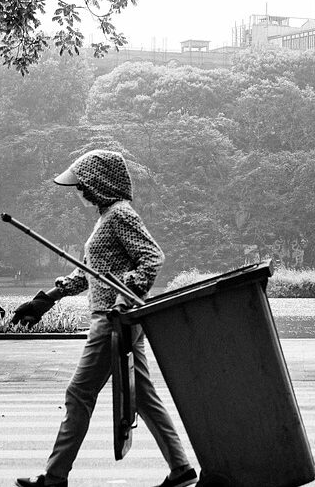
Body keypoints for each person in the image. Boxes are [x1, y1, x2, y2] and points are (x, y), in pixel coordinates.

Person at [12, 150, 197, 487]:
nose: (80, 192)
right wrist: (45, 300)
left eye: (84, 185)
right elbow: (91, 274)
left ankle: (54, 477)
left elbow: (152, 258)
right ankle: (181, 467)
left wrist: (125, 298)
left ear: (100, 183)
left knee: (78, 394)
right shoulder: (106, 217)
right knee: (141, 396)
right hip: (120, 320)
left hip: (112, 320)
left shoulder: (120, 215)